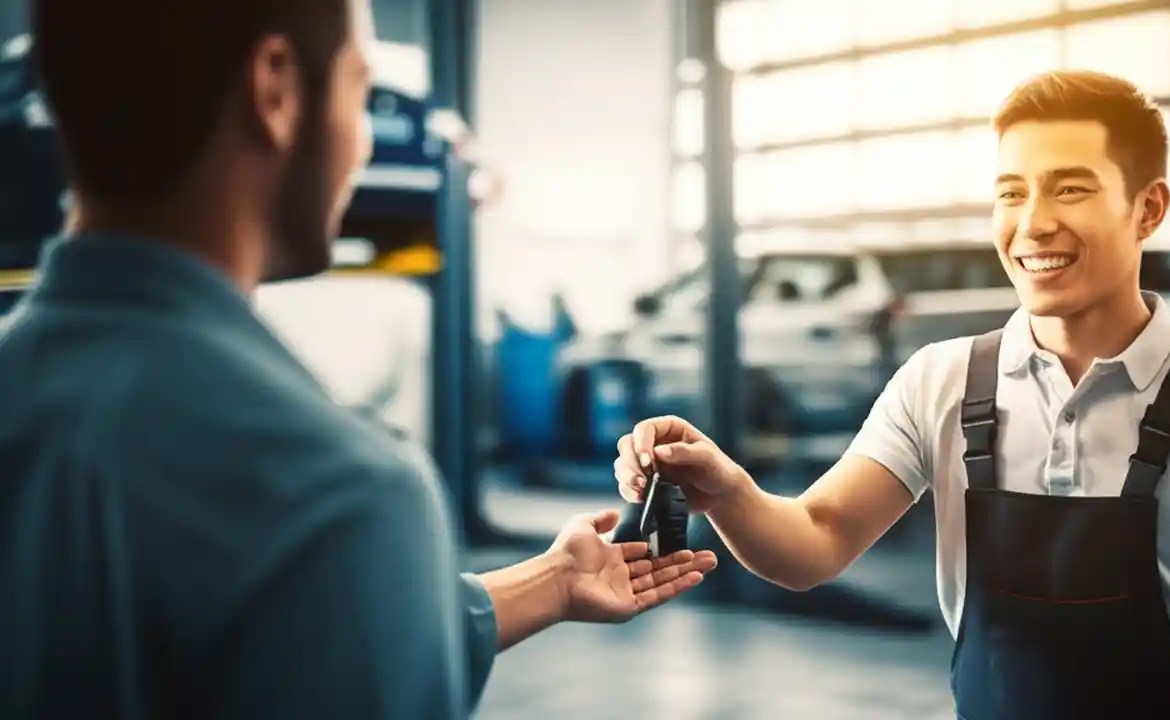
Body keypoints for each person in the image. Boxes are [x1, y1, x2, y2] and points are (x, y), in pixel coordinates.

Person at [0, 1, 717, 718]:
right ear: (276, 89)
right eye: (358, 92)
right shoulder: (338, 493)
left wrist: (553, 581)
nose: (361, 143)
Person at [617, 71, 1170, 719]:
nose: (1033, 223)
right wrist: (727, 490)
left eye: (1070, 189)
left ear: (1149, 209)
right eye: (1011, 192)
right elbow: (815, 540)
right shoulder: (940, 382)